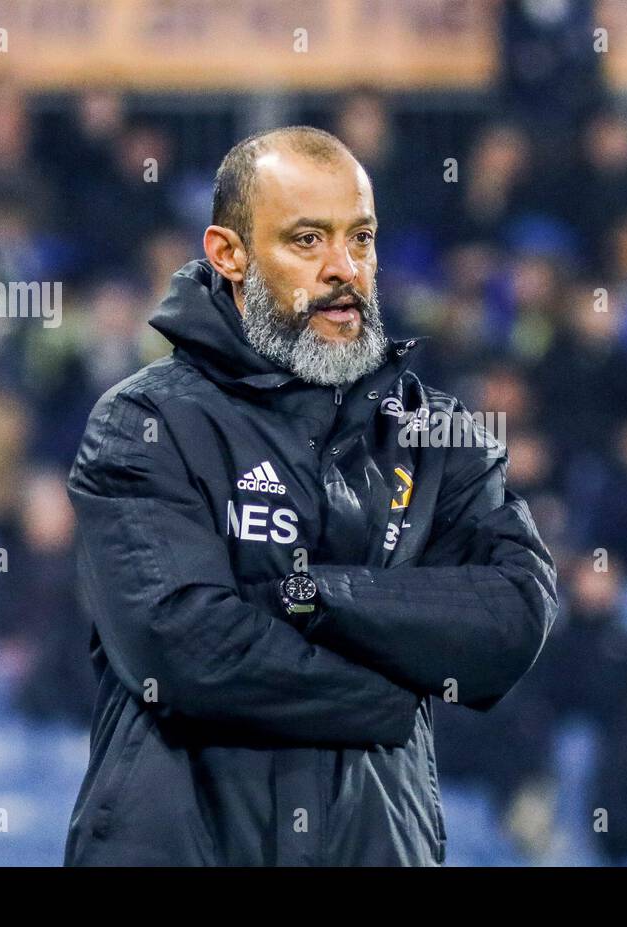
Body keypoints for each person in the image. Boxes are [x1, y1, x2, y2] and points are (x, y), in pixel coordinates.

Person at [63, 126, 558, 866]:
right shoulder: (145, 423)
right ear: (228, 254)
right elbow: (187, 652)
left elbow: (514, 620)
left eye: (361, 238)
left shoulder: (436, 433)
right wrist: (393, 692)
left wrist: (310, 595)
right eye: (307, 241)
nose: (345, 269)